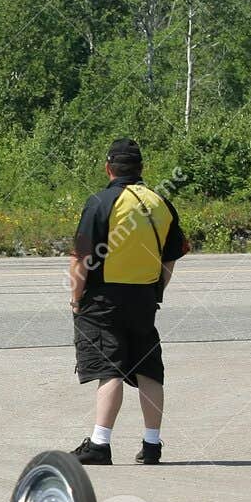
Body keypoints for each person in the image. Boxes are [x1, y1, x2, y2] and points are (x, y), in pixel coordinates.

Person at [68, 138, 187, 465]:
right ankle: (152, 445)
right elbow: (171, 257)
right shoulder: (160, 202)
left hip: (105, 298)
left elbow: (80, 257)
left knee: (110, 368)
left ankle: (100, 443)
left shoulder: (100, 202)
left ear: (108, 169)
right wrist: (156, 290)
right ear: (141, 169)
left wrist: (76, 299)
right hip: (143, 297)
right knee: (149, 368)